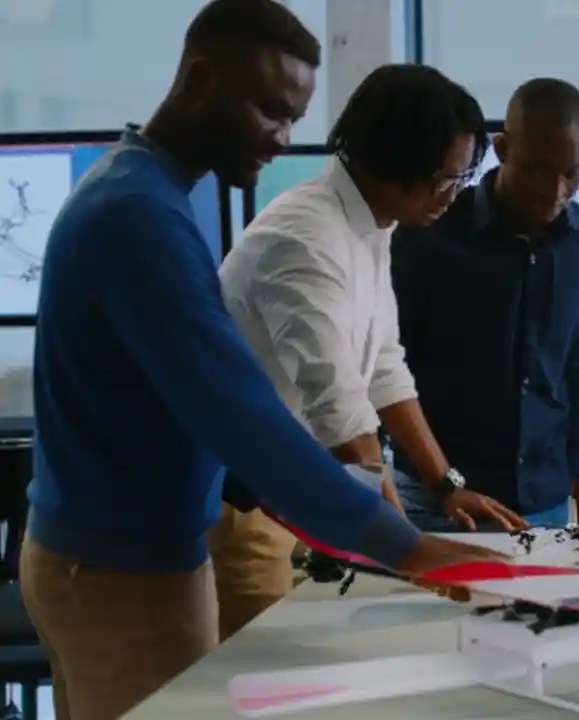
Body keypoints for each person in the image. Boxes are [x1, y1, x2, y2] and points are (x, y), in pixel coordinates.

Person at [21, 3, 505, 718]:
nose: (282, 141)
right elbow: (247, 418)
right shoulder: (141, 218)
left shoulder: (142, 191)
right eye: (270, 112)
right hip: (122, 566)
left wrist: (422, 509)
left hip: (109, 554)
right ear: (199, 77)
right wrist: (407, 549)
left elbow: (374, 369)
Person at [212, 63, 527, 640]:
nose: (453, 195)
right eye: (444, 177)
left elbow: (383, 365)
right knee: (262, 684)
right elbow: (340, 411)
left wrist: (445, 484)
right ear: (392, 158)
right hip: (245, 514)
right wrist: (410, 553)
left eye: (463, 176)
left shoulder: (371, 225)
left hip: (295, 497)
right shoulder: (304, 240)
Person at [389, 77, 579, 530]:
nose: (555, 191)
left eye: (572, 173)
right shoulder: (430, 233)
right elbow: (385, 369)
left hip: (546, 501)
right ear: (502, 148)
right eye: (537, 169)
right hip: (439, 499)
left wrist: (576, 474)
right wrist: (431, 484)